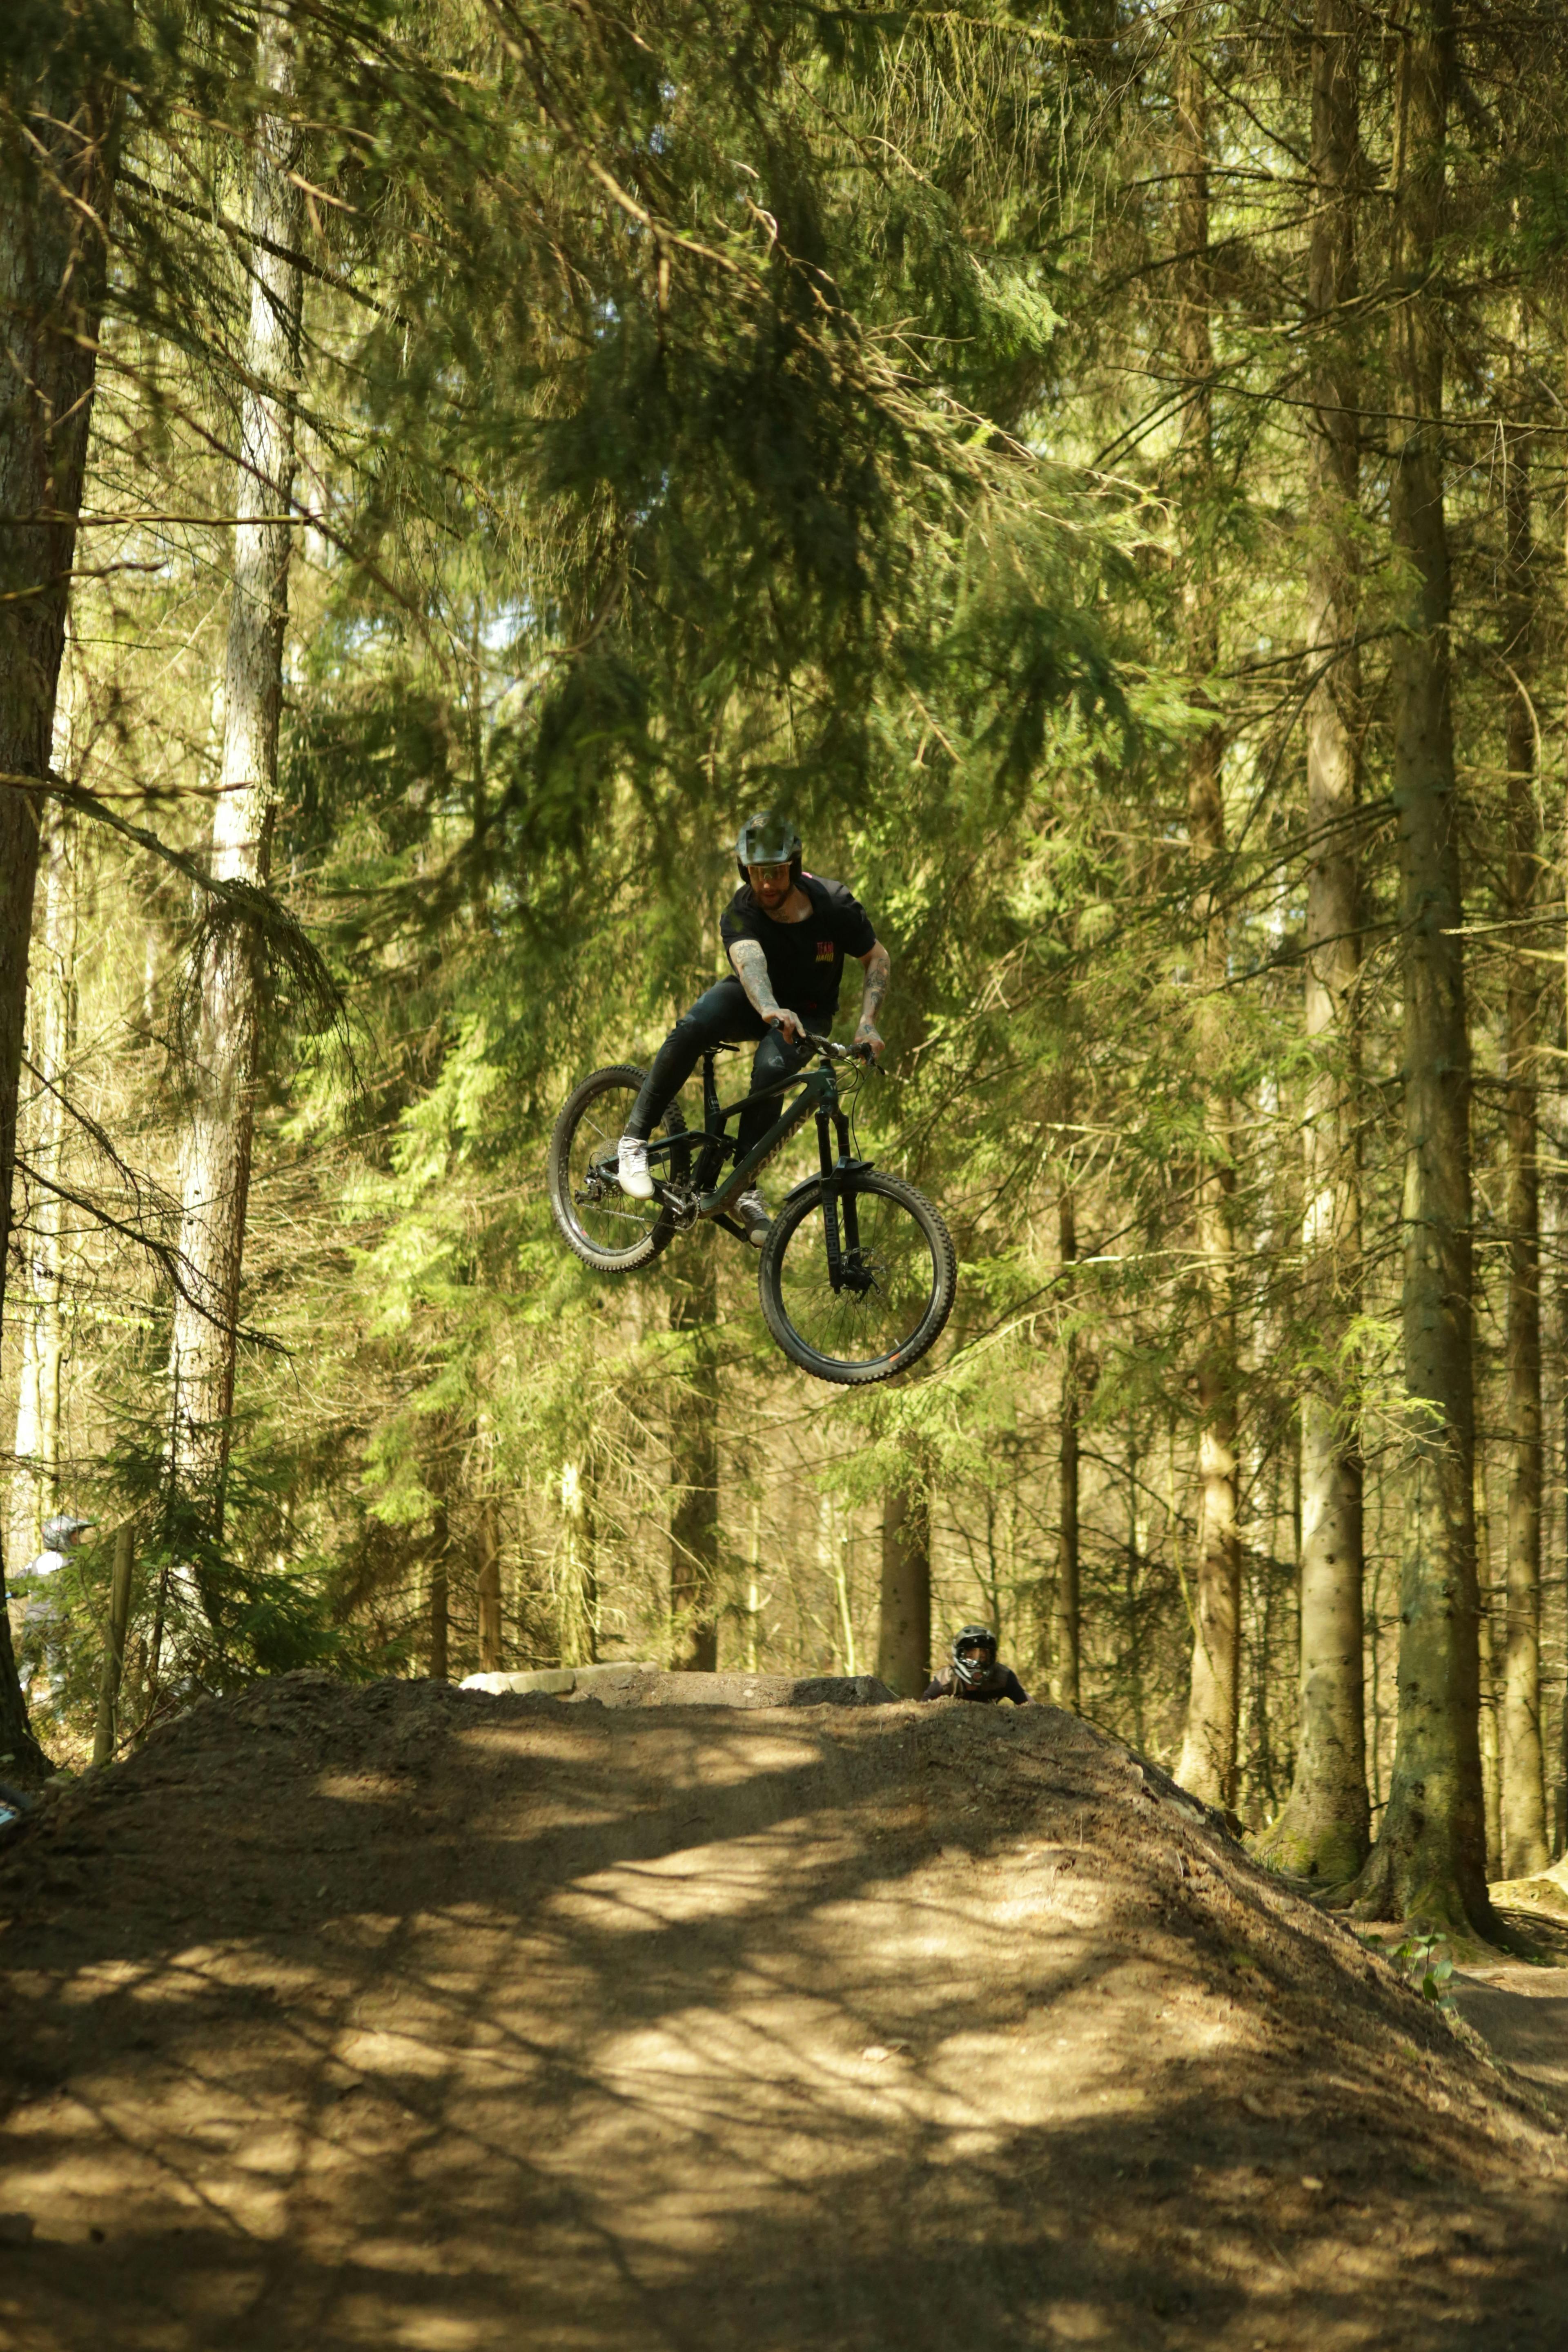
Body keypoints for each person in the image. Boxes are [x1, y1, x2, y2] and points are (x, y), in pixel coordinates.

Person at [617, 811, 891, 1245]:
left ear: (794, 867)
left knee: (774, 1068)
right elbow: (750, 964)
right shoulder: (742, 911)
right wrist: (769, 1008)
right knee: (694, 1025)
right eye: (757, 873)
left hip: (811, 1012)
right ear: (746, 870)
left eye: (776, 873)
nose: (766, 884)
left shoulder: (834, 905)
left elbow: (876, 956)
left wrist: (867, 1025)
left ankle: (745, 1189)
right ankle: (632, 1143)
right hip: (754, 1001)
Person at [919, 1624, 1031, 1706]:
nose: (977, 1664)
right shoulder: (946, 1680)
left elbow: (1031, 1706)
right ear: (957, 1655)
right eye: (970, 1657)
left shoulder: (1003, 1677)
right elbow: (922, 1709)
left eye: (983, 1658)